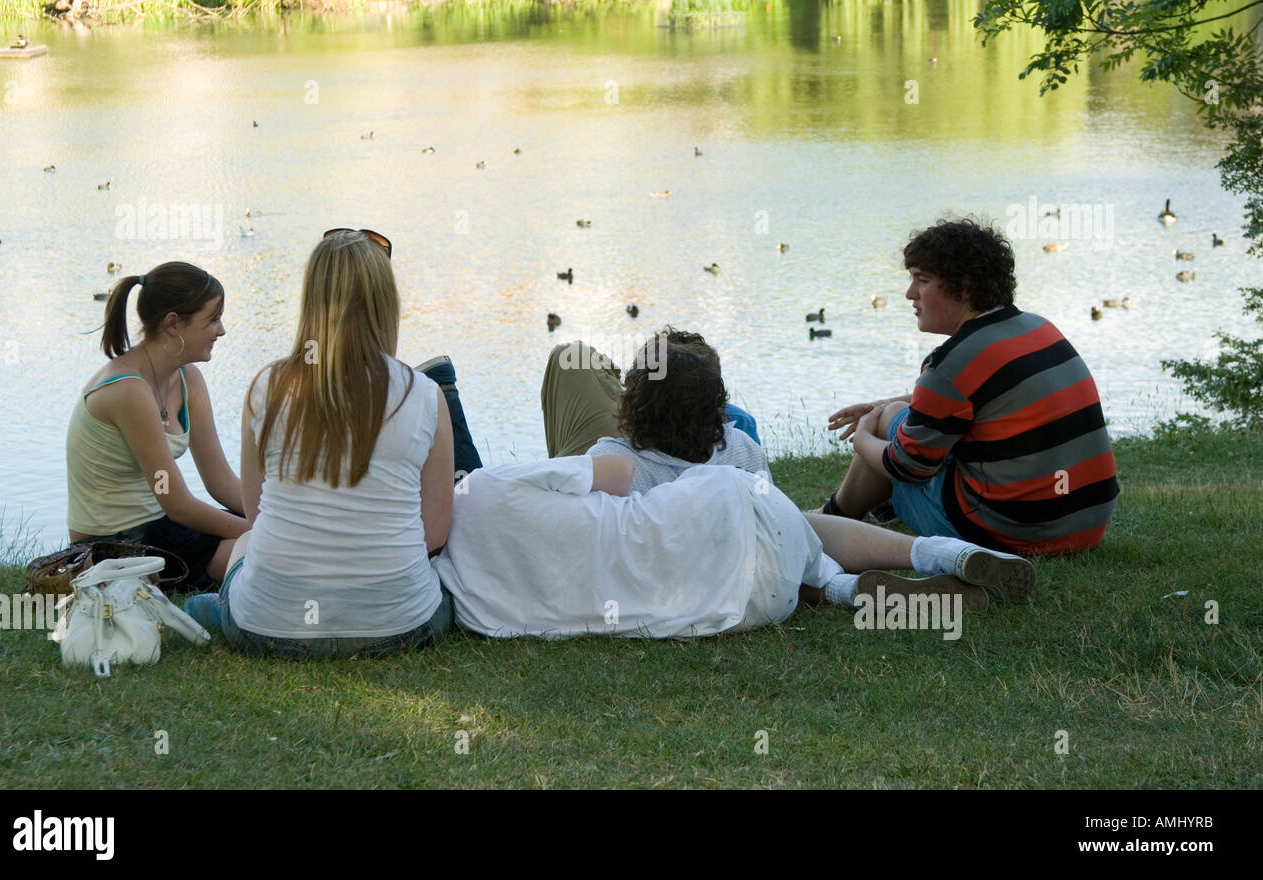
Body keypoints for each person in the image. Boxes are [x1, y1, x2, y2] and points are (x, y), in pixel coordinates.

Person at [185, 228, 457, 659]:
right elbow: (436, 531)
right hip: (399, 625)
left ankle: (216, 608)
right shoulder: (424, 395)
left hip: (268, 627)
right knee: (444, 586)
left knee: (243, 547)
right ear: (385, 301)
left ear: (311, 299)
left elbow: (257, 514)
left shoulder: (266, 388)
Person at [432, 452, 1033, 640]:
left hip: (746, 607)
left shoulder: (471, 604)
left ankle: (845, 589)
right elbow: (615, 474)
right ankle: (949, 555)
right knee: (769, 518)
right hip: (732, 517)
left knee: (810, 571)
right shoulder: (487, 485)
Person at [822, 218, 1119, 562]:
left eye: (922, 280)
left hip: (1015, 535)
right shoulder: (1038, 328)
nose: (909, 294)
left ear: (963, 287)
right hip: (1085, 525)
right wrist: (883, 404)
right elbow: (982, 398)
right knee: (891, 413)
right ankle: (852, 512)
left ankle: (833, 520)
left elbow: (906, 466)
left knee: (890, 423)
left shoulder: (950, 363)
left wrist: (864, 434)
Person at [66, 262, 247, 588]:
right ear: (174, 324)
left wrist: (278, 517)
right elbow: (177, 504)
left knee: (266, 541)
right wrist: (265, 533)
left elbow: (220, 481)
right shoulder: (128, 390)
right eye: (213, 320)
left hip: (161, 524)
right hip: (113, 544)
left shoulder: (188, 378)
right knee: (258, 551)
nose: (221, 331)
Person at [543, 329, 766, 493]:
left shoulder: (609, 462)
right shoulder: (744, 448)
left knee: (569, 356)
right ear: (718, 405)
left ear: (630, 403)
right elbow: (770, 505)